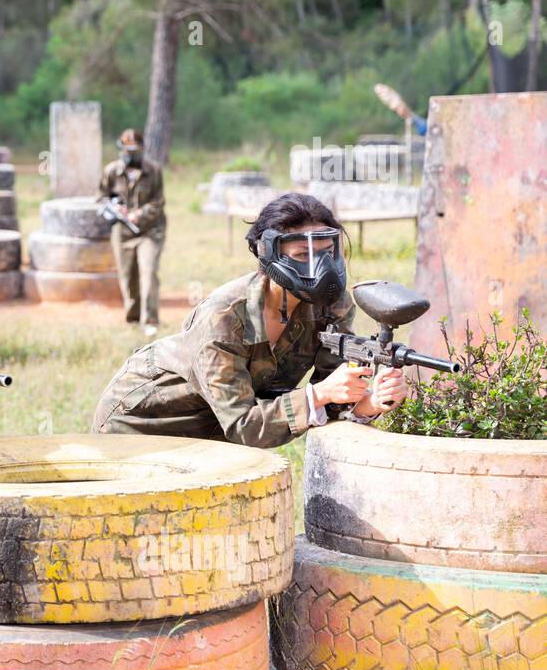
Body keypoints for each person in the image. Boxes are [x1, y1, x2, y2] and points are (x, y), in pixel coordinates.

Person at [91, 192, 407, 449]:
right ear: (269, 255)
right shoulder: (225, 316)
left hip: (214, 434)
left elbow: (332, 395)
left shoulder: (331, 306)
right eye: (302, 255)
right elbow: (245, 427)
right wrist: (320, 394)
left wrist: (369, 401)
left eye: (327, 252)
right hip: (143, 426)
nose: (320, 267)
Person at [99, 128, 166, 336]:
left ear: (142, 149)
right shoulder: (111, 171)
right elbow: (101, 197)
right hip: (122, 232)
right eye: (126, 150)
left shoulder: (154, 171)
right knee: (128, 277)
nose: (129, 154)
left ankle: (150, 321)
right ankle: (133, 319)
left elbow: (158, 202)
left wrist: (140, 214)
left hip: (150, 231)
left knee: (148, 271)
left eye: (134, 150)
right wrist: (114, 207)